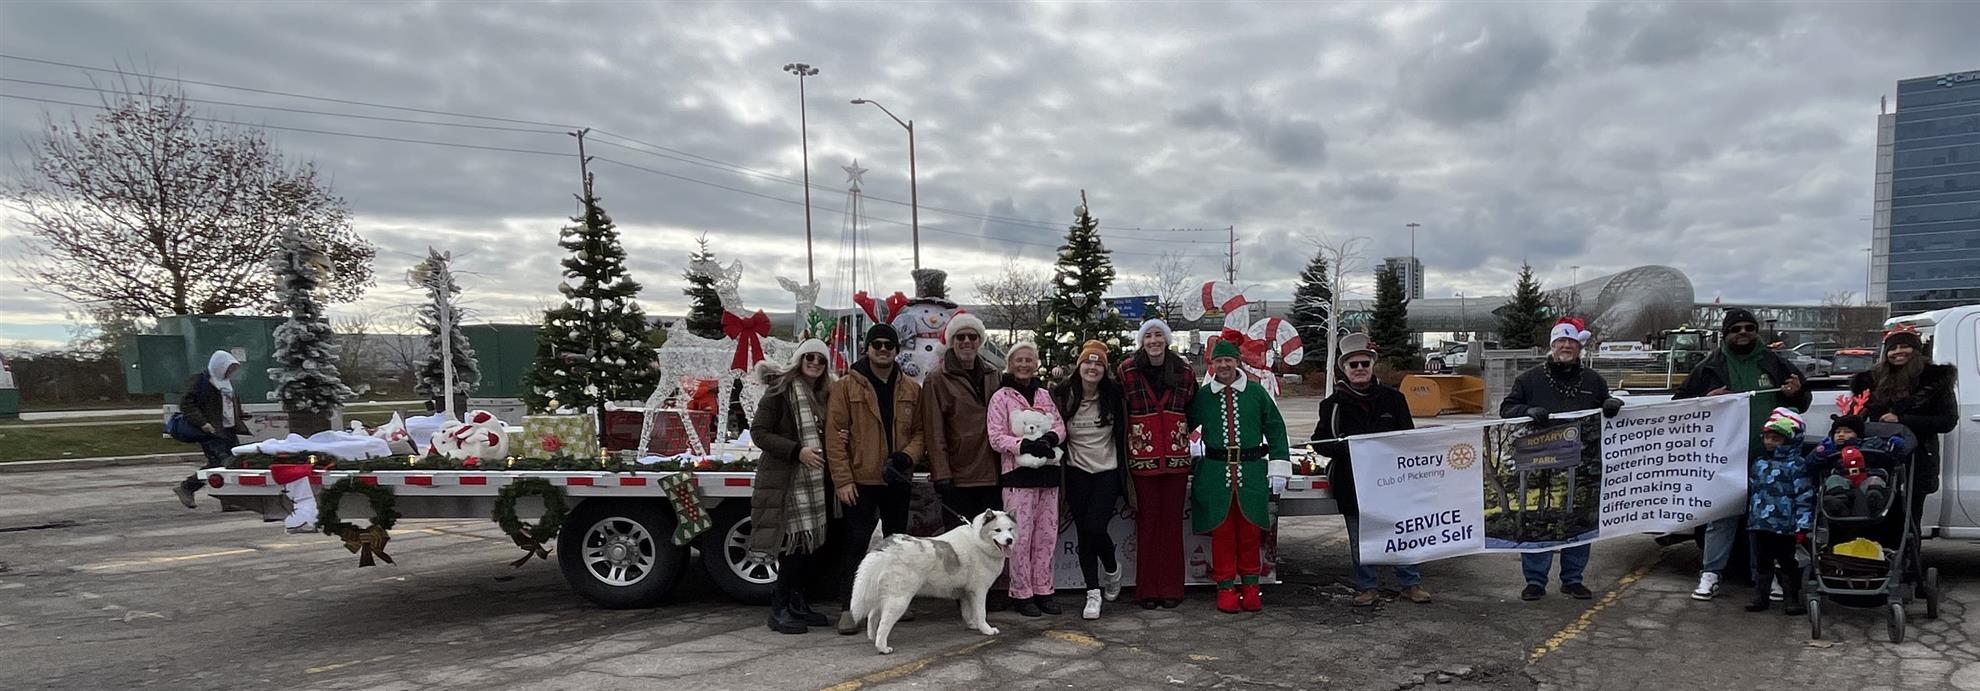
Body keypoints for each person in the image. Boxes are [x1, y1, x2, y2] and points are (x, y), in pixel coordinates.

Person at [1672, 307, 1809, 602]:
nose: (1743, 332)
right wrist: (1704, 401)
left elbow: (1802, 401)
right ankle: (1710, 574)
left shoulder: (1774, 362)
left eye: (1749, 327)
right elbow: (1679, 404)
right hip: (1724, 457)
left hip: (1770, 460)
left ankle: (1767, 577)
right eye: (1736, 329)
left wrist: (1796, 393)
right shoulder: (1710, 366)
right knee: (1721, 517)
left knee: (1769, 522)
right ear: (1726, 335)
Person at [1498, 318, 1624, 601]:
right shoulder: (1529, 379)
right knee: (1538, 520)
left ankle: (1572, 579)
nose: (1566, 346)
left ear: (1579, 346)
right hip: (1540, 464)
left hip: (1583, 465)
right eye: (1560, 341)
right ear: (1552, 345)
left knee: (1580, 521)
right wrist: (1527, 409)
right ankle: (1535, 581)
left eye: (1571, 342)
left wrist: (1613, 404)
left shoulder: (1593, 380)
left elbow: (1607, 405)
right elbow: (1506, 408)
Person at [1310, 333, 1427, 607]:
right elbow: (1319, 442)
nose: (1360, 368)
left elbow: (1407, 438)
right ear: (1344, 369)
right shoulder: (1331, 405)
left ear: (1373, 365)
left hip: (1391, 481)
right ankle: (1367, 586)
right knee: (1359, 538)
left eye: (1365, 363)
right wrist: (1351, 449)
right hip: (1352, 481)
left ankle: (1411, 583)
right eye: (1354, 365)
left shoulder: (1394, 399)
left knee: (1401, 532)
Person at [826, 324, 925, 635]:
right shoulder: (845, 388)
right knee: (855, 545)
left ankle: (895, 604)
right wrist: (843, 480)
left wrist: (906, 456)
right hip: (861, 481)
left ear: (896, 350)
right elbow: (834, 436)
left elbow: (920, 432)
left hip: (896, 480)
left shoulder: (911, 389)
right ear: (867, 348)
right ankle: (849, 608)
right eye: (877, 344)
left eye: (889, 345)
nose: (883, 350)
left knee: (898, 547)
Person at [1188, 332, 1293, 614]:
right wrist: (1183, 448)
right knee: (1222, 534)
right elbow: (1184, 424)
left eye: (1228, 360)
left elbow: (1275, 428)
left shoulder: (1257, 393)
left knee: (1250, 533)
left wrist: (1279, 464)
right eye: (1219, 360)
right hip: (1214, 474)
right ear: (1212, 364)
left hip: (1251, 473)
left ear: (1237, 362)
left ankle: (1250, 586)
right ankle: (1224, 587)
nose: (1224, 365)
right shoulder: (1204, 396)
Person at [748, 339, 837, 634]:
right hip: (787, 480)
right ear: (799, 359)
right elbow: (759, 432)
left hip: (814, 481)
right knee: (793, 548)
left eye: (820, 359)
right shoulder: (780, 390)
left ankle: (798, 604)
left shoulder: (824, 394)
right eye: (809, 357)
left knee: (808, 549)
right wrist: (796, 450)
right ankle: (779, 608)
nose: (814, 363)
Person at [1843, 324, 1958, 540]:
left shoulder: (1935, 381)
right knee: (1874, 513)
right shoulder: (1871, 382)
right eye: (1893, 348)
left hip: (1918, 459)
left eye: (1905, 347)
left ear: (1916, 350)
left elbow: (1947, 421)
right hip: (1877, 459)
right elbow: (1857, 416)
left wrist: (1903, 420)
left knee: (1909, 518)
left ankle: (1907, 566)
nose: (1898, 352)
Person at [1117, 318, 1196, 609]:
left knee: (1172, 524)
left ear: (1167, 339)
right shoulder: (1127, 370)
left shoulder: (1184, 371)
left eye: (1158, 335)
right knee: (1147, 524)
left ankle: (1172, 588)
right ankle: (1147, 590)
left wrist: (1179, 434)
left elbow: (1193, 407)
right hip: (1143, 460)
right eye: (1148, 335)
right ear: (1141, 341)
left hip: (1175, 460)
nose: (1153, 340)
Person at [986, 342, 1067, 617]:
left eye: (1028, 360)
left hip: (1048, 474)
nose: (1024, 365)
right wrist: (1024, 445)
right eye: (1018, 360)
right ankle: (1022, 593)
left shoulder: (1044, 394)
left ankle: (1044, 588)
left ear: (1036, 364)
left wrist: (1050, 439)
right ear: (1010, 364)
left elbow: (1059, 426)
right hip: (1018, 476)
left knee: (1046, 536)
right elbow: (996, 437)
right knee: (1020, 537)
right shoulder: (1002, 397)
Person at [1052, 340, 1129, 620]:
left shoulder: (1114, 396)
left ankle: (1112, 568)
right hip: (1076, 472)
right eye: (1088, 362)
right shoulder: (1062, 394)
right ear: (1079, 366)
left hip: (1107, 471)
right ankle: (1092, 593)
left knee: (1095, 527)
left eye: (1098, 363)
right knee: (1084, 533)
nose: (1093, 368)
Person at [923, 313, 1003, 524]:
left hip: (992, 472)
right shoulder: (936, 379)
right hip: (959, 475)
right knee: (960, 544)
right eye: (960, 337)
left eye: (972, 337)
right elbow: (933, 430)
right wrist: (941, 473)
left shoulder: (993, 373)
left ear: (980, 341)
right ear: (951, 341)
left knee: (990, 542)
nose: (967, 341)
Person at [1745, 408, 1812, 615]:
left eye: (1775, 438)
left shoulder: (1797, 465)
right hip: (1760, 523)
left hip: (1786, 525)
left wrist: (1803, 524)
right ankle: (1760, 596)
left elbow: (1804, 496)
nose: (1769, 442)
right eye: (1767, 437)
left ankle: (1792, 598)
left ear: (1789, 440)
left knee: (1788, 562)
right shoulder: (1759, 463)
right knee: (1762, 560)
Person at [172, 350, 251, 508]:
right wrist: (202, 423)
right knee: (220, 463)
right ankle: (187, 487)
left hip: (228, 429)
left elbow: (227, 403)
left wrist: (239, 415)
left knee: (231, 464)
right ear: (219, 366)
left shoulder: (225, 383)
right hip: (210, 430)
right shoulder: (200, 380)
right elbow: (186, 404)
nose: (231, 372)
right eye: (229, 369)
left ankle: (228, 500)